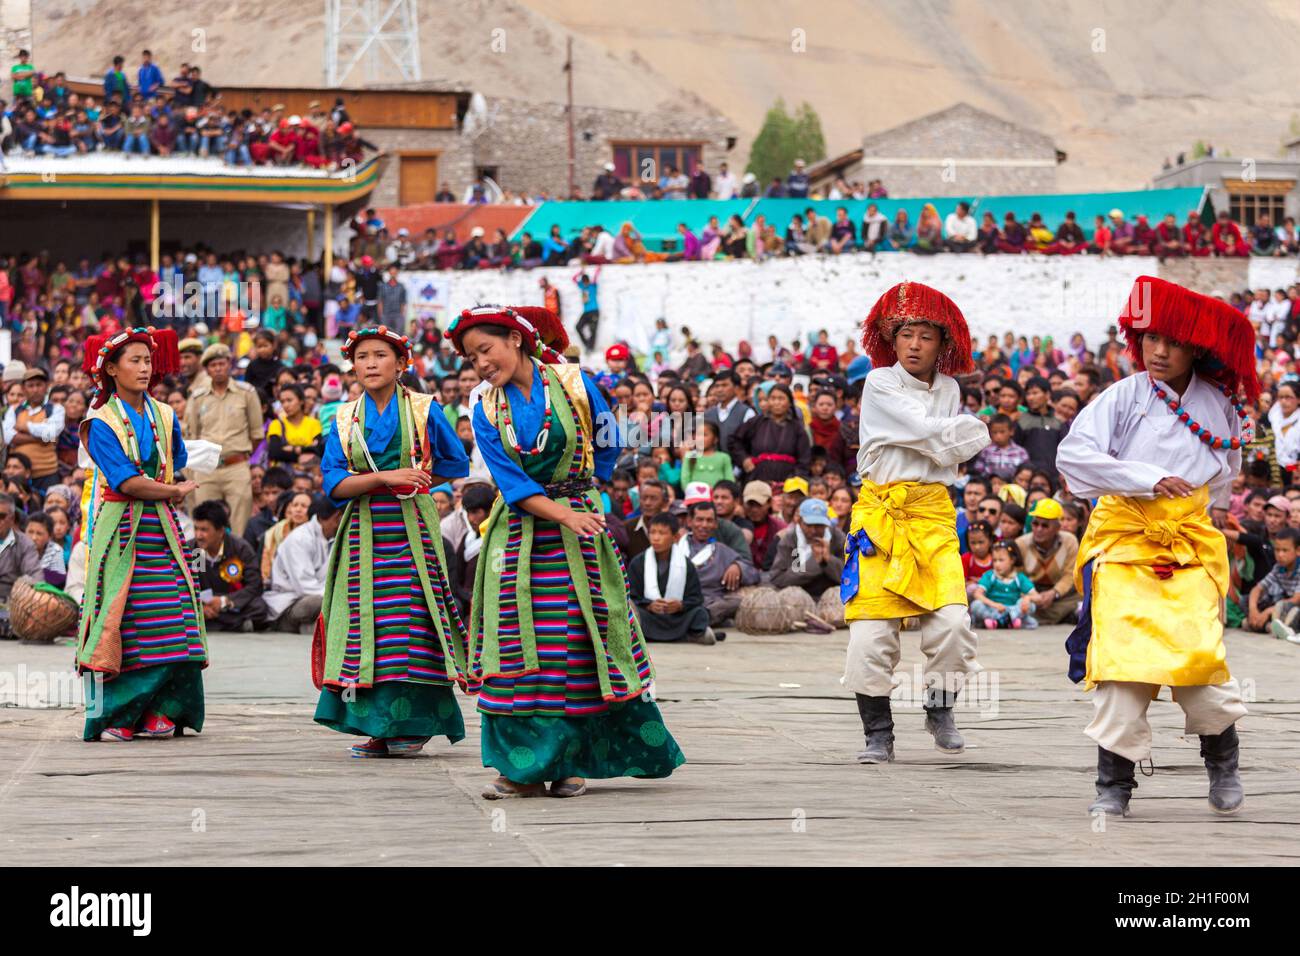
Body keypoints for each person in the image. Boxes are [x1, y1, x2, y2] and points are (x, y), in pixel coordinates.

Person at [452, 305, 684, 799]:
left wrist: (583, 489)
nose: (481, 364)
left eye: (486, 350)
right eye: (472, 358)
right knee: (519, 646)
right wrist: (565, 512)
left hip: (581, 529)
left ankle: (571, 763)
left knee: (579, 642)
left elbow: (608, 440)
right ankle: (519, 768)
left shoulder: (575, 384)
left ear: (515, 340)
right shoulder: (484, 408)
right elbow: (511, 484)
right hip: (519, 537)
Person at [1057, 275, 1254, 817]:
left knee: (1199, 658)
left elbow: (1225, 477)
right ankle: (1113, 785)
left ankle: (1223, 760)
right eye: (1149, 339)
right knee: (1121, 663)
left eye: (1172, 341)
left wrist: (1187, 507)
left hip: (1189, 544)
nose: (1159, 351)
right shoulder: (1121, 396)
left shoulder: (1218, 404)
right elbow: (1073, 458)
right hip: (1124, 542)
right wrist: (1145, 480)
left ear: (1195, 347)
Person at [842, 281, 990, 764]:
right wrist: (968, 432)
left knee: (952, 623)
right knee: (871, 633)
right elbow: (937, 438)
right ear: (893, 339)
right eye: (906, 333)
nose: (914, 344)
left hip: (932, 515)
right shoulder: (879, 381)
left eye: (926, 336)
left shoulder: (948, 388)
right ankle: (877, 732)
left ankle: (939, 706)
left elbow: (936, 443)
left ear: (942, 346)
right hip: (879, 516)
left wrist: (938, 439)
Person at [315, 326, 471, 759]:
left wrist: (417, 482)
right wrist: (386, 478)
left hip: (412, 530)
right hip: (363, 530)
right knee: (368, 624)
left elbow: (455, 461)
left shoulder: (424, 409)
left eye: (379, 355)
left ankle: (412, 725)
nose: (369, 363)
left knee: (411, 621)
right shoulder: (344, 417)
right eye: (361, 356)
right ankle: (376, 725)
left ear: (401, 363)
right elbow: (334, 483)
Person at [75, 327, 206, 743]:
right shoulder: (98, 422)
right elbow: (126, 481)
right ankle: (121, 713)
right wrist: (171, 491)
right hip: (121, 525)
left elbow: (177, 458)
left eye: (148, 360)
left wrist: (169, 489)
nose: (145, 367)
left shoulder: (165, 414)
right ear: (110, 369)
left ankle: (163, 710)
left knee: (173, 615)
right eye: (134, 360)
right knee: (125, 618)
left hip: (161, 529)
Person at [185, 343, 263, 535]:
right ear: (207, 370)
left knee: (239, 526)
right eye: (213, 365)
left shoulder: (247, 393)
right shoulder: (198, 398)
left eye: (222, 363)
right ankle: (205, 564)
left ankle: (237, 564)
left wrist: (238, 453)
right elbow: (191, 435)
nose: (218, 368)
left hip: (236, 467)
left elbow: (256, 434)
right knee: (203, 524)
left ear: (229, 364)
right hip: (206, 468)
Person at [628, 512, 715, 645]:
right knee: (632, 612)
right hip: (649, 616)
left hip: (677, 617)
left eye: (662, 533)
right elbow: (631, 596)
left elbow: (696, 598)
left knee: (700, 613)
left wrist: (680, 606)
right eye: (652, 532)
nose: (656, 538)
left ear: (675, 537)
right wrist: (649, 605)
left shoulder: (686, 564)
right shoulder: (638, 562)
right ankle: (691, 635)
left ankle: (691, 634)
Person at [264, 497, 344, 633]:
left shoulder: (333, 538)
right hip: (291, 603)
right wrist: (338, 597)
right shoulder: (299, 539)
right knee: (317, 602)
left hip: (317, 597)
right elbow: (305, 586)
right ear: (337, 517)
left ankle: (314, 627)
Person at [190, 500, 271, 632]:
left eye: (204, 530)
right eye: (196, 529)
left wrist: (223, 602)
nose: (199, 535)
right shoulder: (193, 549)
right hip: (202, 604)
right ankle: (236, 624)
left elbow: (255, 585)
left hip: (231, 602)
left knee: (259, 606)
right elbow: (183, 586)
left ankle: (213, 623)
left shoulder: (240, 548)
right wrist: (201, 606)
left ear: (221, 531)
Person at [1013, 498, 1080, 625]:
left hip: (1059, 593)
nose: (1038, 529)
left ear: (1057, 527)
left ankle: (1033, 617)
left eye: (1045, 525)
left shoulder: (1070, 541)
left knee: (1084, 595)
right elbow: (1017, 576)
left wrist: (1054, 593)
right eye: (1035, 524)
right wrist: (1031, 596)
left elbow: (1069, 575)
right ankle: (1061, 616)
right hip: (1030, 592)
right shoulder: (1021, 544)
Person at [3, 366, 65, 493]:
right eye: (30, 385)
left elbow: (50, 433)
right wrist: (41, 438)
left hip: (47, 474)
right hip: (17, 475)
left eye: (39, 385)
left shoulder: (56, 409)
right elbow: (8, 437)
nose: (35, 389)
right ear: (24, 389)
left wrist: (24, 427)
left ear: (46, 386)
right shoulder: (14, 410)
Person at [970, 541, 1037, 629]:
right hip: (993, 609)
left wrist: (1027, 598)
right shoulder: (990, 575)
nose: (997, 564)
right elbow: (977, 594)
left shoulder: (1019, 578)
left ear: (1012, 560)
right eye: (994, 560)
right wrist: (994, 604)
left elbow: (1037, 596)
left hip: (1012, 609)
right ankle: (1009, 621)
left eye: (1001, 560)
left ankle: (998, 622)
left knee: (1031, 606)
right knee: (976, 605)